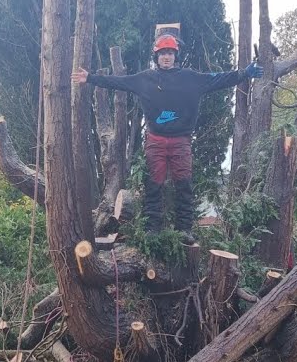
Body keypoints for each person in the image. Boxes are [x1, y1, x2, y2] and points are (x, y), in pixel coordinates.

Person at [72, 34, 263, 237]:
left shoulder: (191, 78)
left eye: (170, 53)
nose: (166, 57)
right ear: (156, 56)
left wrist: (245, 73)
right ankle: (152, 229)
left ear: (175, 55)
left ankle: (184, 229)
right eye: (162, 53)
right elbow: (118, 81)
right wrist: (90, 78)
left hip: (181, 141)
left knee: (184, 184)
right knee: (153, 184)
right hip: (155, 141)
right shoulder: (145, 79)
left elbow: (220, 78)